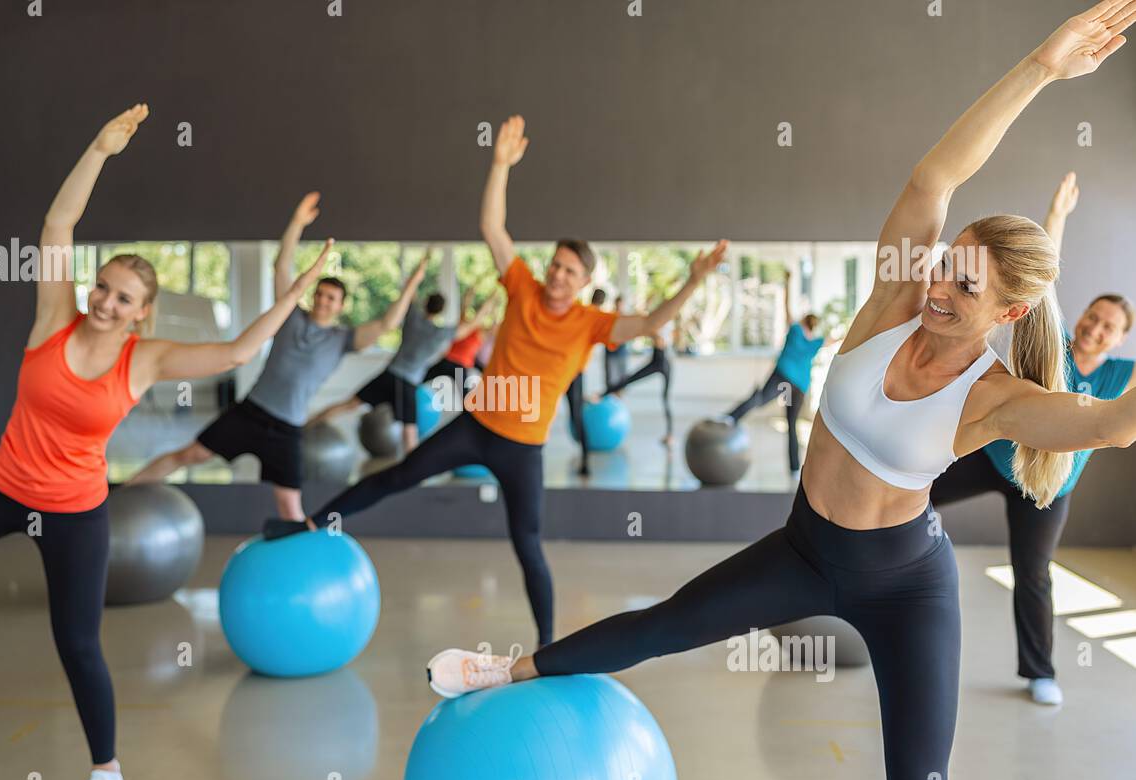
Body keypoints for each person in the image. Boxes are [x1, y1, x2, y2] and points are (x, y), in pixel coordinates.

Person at [425, 2, 1136, 780]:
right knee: (663, 625)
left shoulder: (994, 397)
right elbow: (936, 176)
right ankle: (507, 669)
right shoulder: (894, 300)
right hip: (803, 548)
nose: (937, 285)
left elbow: (1111, 424)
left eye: (964, 287)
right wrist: (1041, 66)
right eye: (944, 264)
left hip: (908, 585)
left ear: (1007, 313)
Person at [0, 106, 336, 780]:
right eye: (102, 285)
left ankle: (107, 775)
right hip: (3, 485)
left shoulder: (149, 358)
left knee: (77, 642)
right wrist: (99, 149)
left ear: (141, 312)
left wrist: (299, 292)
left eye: (121, 296)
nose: (103, 299)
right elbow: (56, 227)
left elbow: (241, 348)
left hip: (74, 511)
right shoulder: (54, 315)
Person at [265, 115, 729, 648]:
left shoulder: (591, 324)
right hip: (477, 426)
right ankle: (310, 525)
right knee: (397, 477)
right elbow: (492, 228)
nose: (557, 275)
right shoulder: (523, 288)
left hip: (523, 450)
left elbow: (650, 324)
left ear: (584, 283)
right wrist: (500, 165)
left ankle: (549, 645)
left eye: (569, 272)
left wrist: (694, 280)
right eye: (555, 265)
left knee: (527, 543)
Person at [931, 172, 1135, 707]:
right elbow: (1040, 281)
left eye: (1108, 327)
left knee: (1033, 572)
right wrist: (1058, 218)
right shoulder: (1055, 346)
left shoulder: (1123, 375)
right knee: (917, 486)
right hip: (996, 456)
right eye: (1093, 317)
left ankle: (1039, 671)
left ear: (1119, 339)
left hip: (1048, 488)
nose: (1095, 328)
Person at [127, 193, 413, 519]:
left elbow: (389, 323)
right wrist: (297, 223)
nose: (323, 301)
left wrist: (410, 287)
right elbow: (282, 266)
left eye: (332, 298)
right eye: (320, 294)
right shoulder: (289, 315)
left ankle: (297, 564)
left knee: (290, 505)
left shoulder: (344, 339)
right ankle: (123, 494)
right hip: (251, 412)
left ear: (341, 306)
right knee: (188, 454)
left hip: (287, 429)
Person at [312, 271, 502, 455]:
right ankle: (412, 475)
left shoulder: (413, 318)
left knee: (348, 404)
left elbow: (408, 294)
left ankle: (307, 426)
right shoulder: (441, 333)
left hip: (389, 374)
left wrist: (418, 273)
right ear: (441, 311)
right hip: (408, 383)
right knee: (409, 433)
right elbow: (474, 322)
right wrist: (491, 300)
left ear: (426, 304)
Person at [724, 267, 835, 473]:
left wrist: (787, 284)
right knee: (791, 425)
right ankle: (794, 469)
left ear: (804, 321)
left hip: (784, 380)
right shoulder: (817, 341)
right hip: (799, 388)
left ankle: (731, 417)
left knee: (760, 399)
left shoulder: (795, 330)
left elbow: (785, 308)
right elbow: (837, 339)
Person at [603, 321, 674, 446]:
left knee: (665, 399)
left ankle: (669, 436)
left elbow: (659, 340)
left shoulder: (661, 331)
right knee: (628, 379)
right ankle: (603, 394)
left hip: (662, 364)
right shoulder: (658, 330)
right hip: (657, 362)